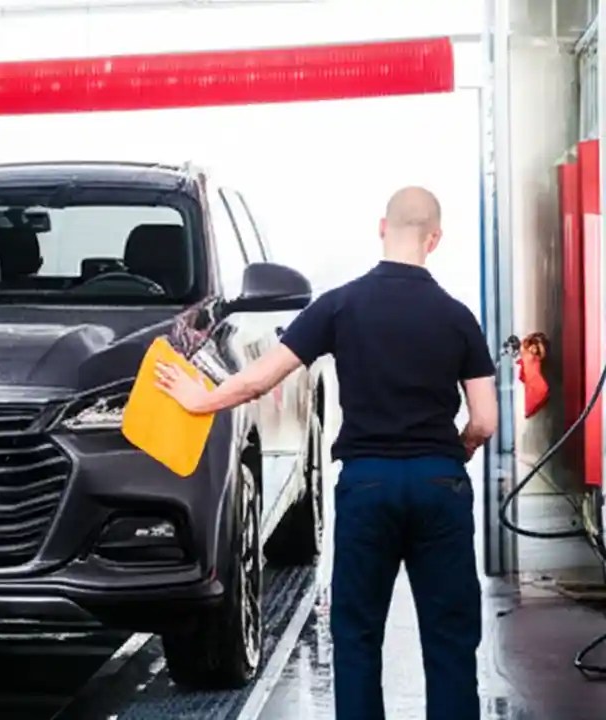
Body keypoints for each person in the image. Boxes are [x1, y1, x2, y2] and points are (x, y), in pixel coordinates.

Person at [155, 186, 498, 720]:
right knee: (450, 640)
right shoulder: (457, 316)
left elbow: (260, 378)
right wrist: (456, 451)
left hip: (367, 487)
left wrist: (201, 400)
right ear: (435, 239)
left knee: (358, 638)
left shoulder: (339, 304)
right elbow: (484, 419)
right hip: (440, 485)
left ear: (381, 228)